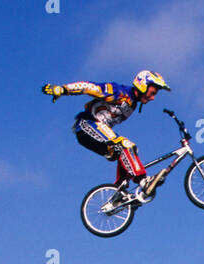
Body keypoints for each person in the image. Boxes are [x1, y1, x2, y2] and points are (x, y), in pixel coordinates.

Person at [42, 70, 172, 202]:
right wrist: (63, 89)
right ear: (143, 85)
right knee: (126, 145)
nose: (153, 98)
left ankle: (119, 191)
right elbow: (90, 87)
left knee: (126, 152)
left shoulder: (132, 105)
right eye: (152, 93)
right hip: (87, 124)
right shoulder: (120, 92)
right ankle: (143, 181)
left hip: (95, 135)